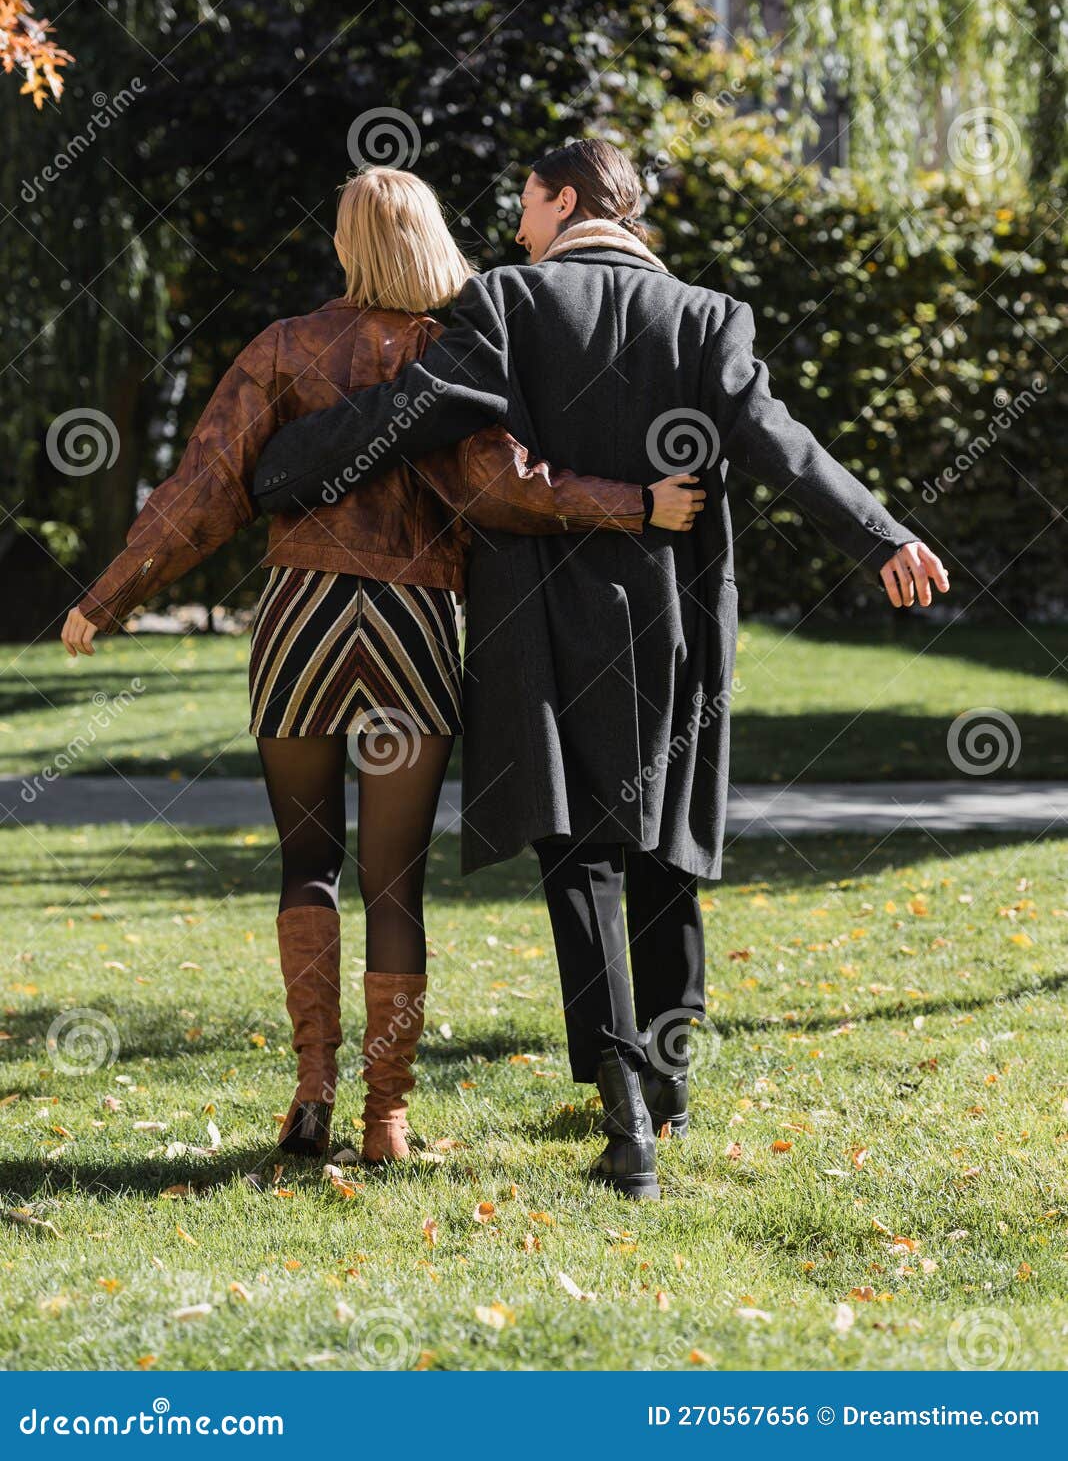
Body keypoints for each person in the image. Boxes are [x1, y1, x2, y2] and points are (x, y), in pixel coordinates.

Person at [251, 138, 950, 1200]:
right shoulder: (710, 317)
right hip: (673, 623)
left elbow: (405, 415)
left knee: (579, 856)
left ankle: (628, 1114)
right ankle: (664, 1077)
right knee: (663, 842)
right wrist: (884, 536)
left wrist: (287, 465)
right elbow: (780, 443)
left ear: (563, 199)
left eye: (526, 205)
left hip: (539, 631)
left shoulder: (509, 305)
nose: (517, 225)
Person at [60, 165, 703, 1166]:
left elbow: (205, 488)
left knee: (306, 865)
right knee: (394, 886)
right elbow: (510, 488)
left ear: (345, 244)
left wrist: (106, 596)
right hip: (408, 629)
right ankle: (386, 1119)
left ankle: (311, 1094)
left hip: (301, 621)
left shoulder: (282, 350)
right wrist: (638, 504)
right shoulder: (458, 359)